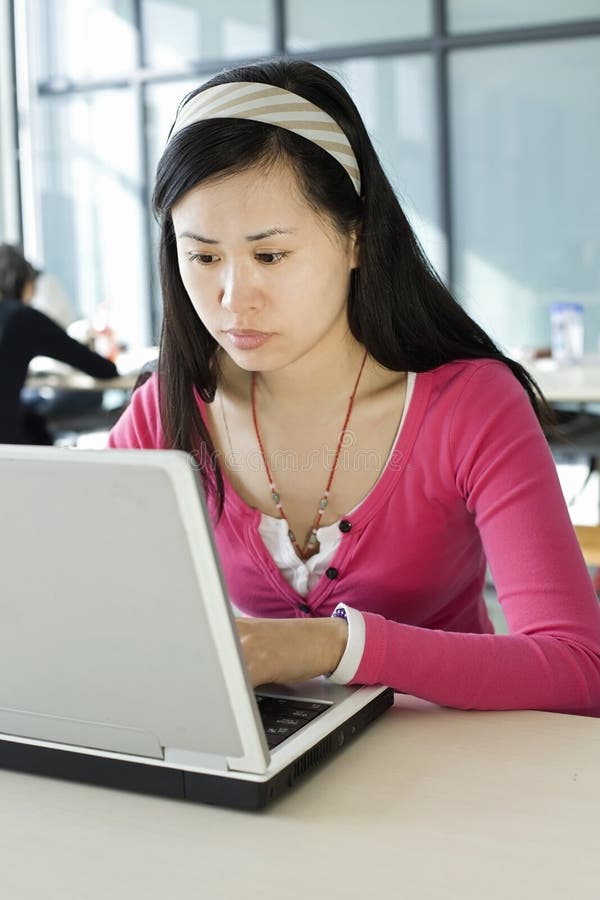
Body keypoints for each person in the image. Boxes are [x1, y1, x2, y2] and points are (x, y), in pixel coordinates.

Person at [108, 59, 600, 715]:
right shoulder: (168, 409)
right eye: (202, 256)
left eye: (269, 255)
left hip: (461, 782)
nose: (232, 298)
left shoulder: (471, 407)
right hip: (269, 783)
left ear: (355, 239)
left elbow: (578, 670)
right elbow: (73, 598)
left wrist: (329, 648)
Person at [0, 243, 119, 444]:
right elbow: (103, 369)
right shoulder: (22, 318)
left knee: (33, 418)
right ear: (24, 283)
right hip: (8, 451)